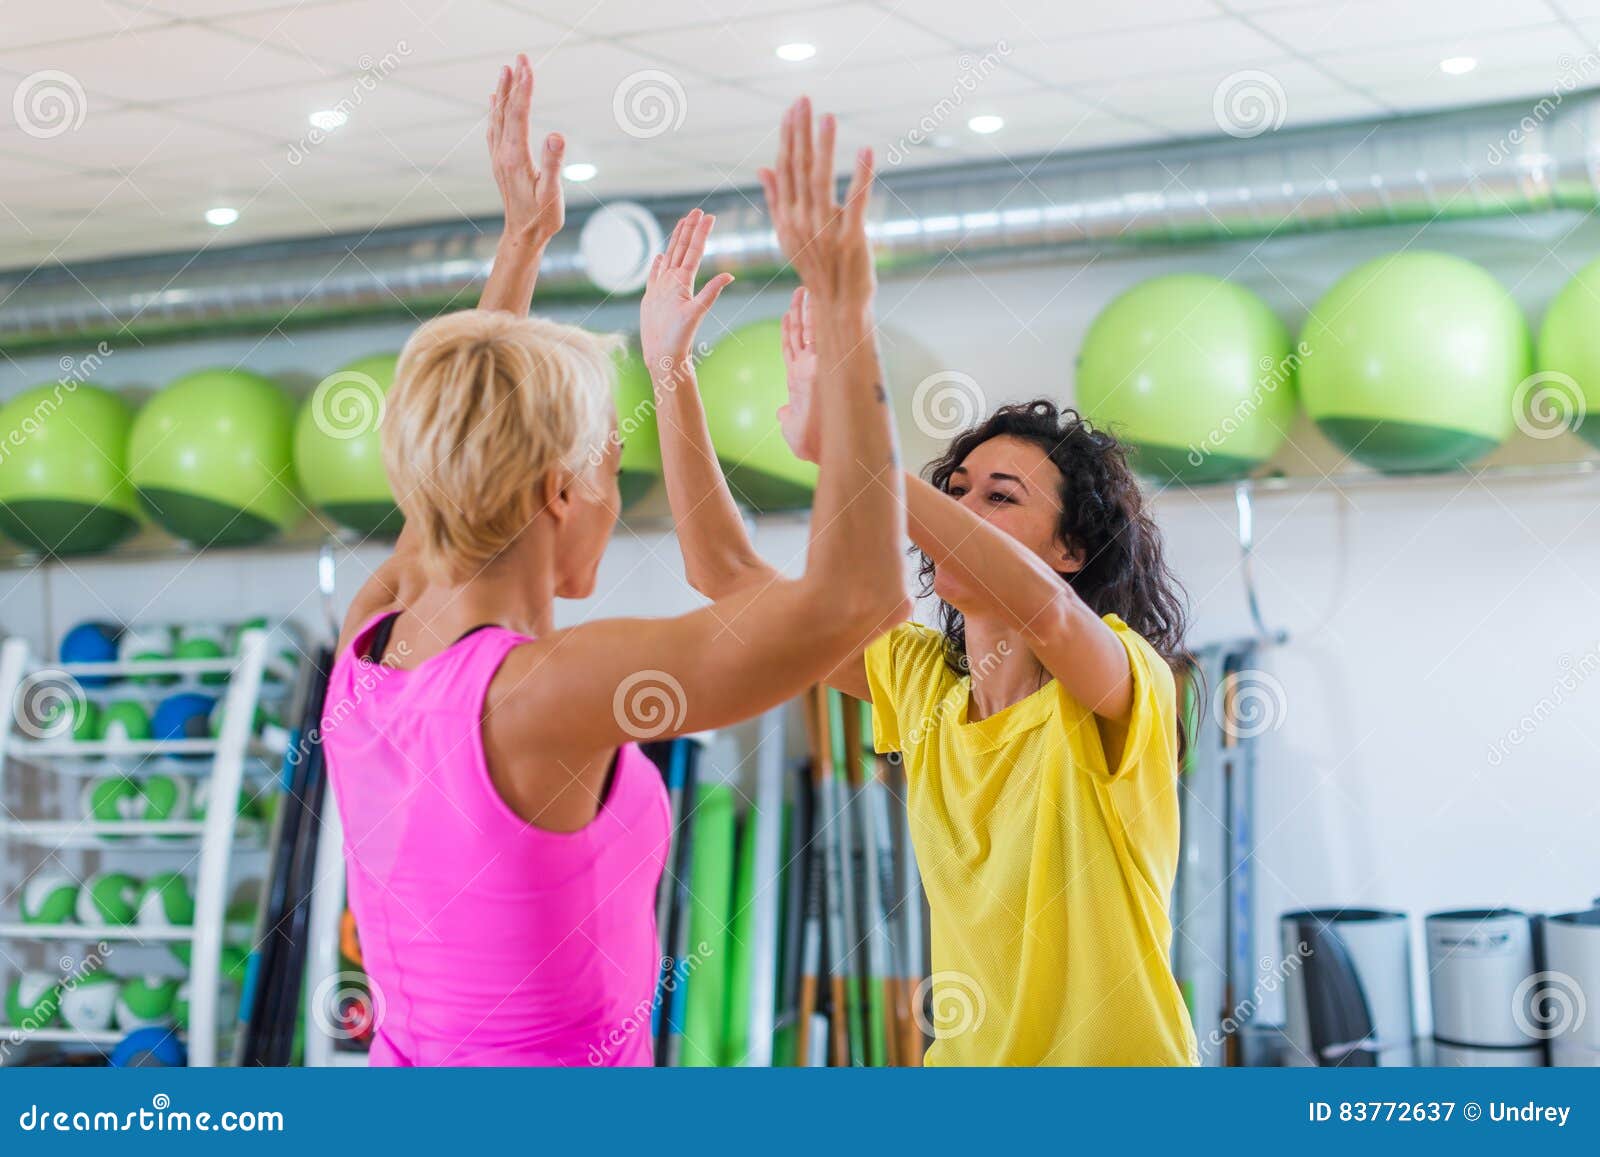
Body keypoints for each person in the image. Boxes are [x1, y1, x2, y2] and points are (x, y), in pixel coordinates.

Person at [321, 60, 908, 1066]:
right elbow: (856, 599)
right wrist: (845, 315)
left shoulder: (373, 639)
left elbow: (458, 429)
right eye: (610, 464)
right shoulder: (551, 690)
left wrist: (523, 240)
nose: (615, 490)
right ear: (556, 489)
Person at [655, 280, 1198, 1065]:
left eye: (1000, 497)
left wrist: (847, 452)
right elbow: (724, 575)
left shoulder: (1122, 682)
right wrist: (669, 368)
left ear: (1070, 550)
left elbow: (1044, 611)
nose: (964, 510)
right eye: (955, 491)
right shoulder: (921, 686)